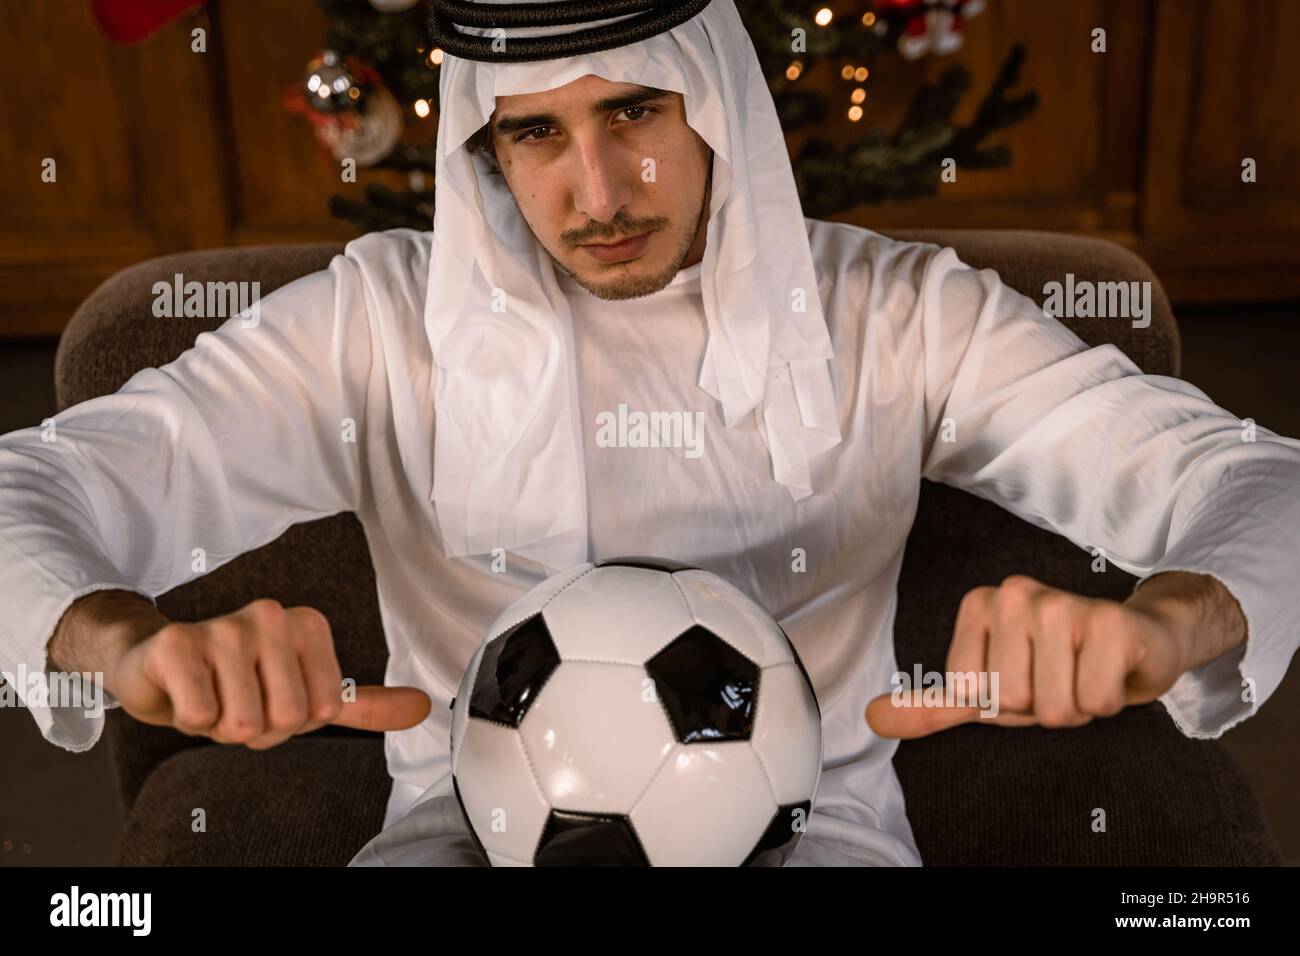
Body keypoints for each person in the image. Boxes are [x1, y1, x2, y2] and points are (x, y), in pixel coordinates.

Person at [1, 0, 1296, 867]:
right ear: (487, 152)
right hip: (456, 842)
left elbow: (1254, 482)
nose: (600, 192)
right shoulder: (380, 323)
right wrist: (122, 640)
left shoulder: (899, 315)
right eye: (538, 135)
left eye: (634, 114)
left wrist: (1165, 617)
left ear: (713, 103)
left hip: (823, 835)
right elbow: (33, 486)